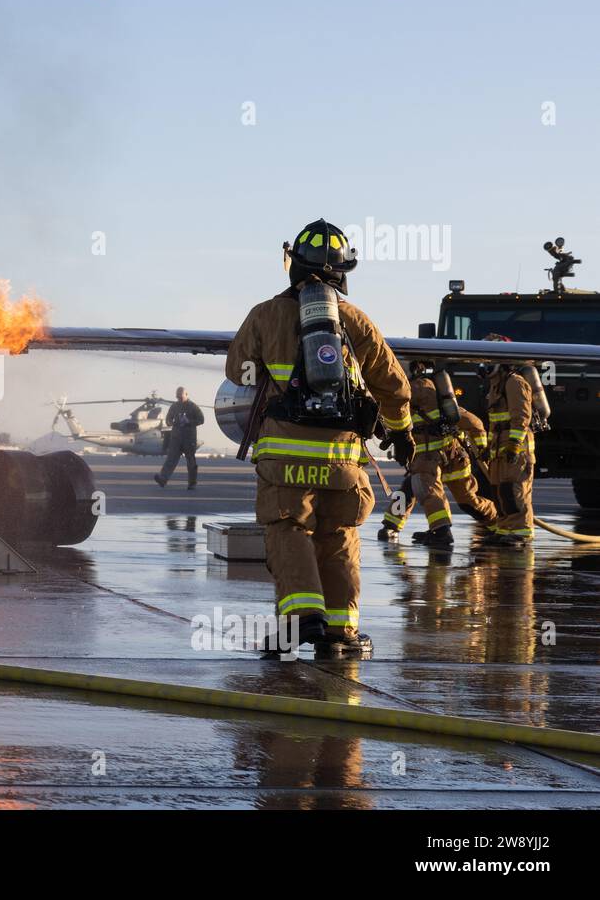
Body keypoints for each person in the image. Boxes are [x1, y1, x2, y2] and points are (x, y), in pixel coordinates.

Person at [226, 219, 413, 657]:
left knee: (289, 529)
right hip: (343, 459)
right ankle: (341, 634)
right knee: (339, 535)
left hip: (283, 458)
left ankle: (299, 621)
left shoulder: (266, 314)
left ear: (294, 263)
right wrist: (402, 433)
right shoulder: (354, 319)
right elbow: (392, 383)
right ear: (342, 270)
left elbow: (237, 369)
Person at [377, 360, 497, 547]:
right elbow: (474, 423)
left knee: (429, 494)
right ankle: (391, 525)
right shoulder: (433, 390)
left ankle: (442, 532)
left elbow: (390, 410)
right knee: (462, 499)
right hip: (451, 457)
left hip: (429, 458)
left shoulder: (411, 391)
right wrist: (481, 448)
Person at [482, 338, 538, 548]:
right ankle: (504, 529)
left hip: (516, 448)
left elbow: (521, 417)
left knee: (514, 491)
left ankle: (521, 533)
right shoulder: (496, 386)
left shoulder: (515, 382)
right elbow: (494, 423)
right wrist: (489, 448)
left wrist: (514, 445)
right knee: (500, 491)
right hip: (499, 449)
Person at [154, 387, 206, 489]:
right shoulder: (174, 406)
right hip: (176, 437)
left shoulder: (193, 407)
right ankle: (162, 479)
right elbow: (168, 419)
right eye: (178, 397)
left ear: (186, 395)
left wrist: (189, 422)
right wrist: (171, 422)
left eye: (181, 397)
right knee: (171, 459)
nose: (179, 399)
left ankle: (192, 483)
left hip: (189, 438)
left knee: (191, 460)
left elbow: (201, 419)